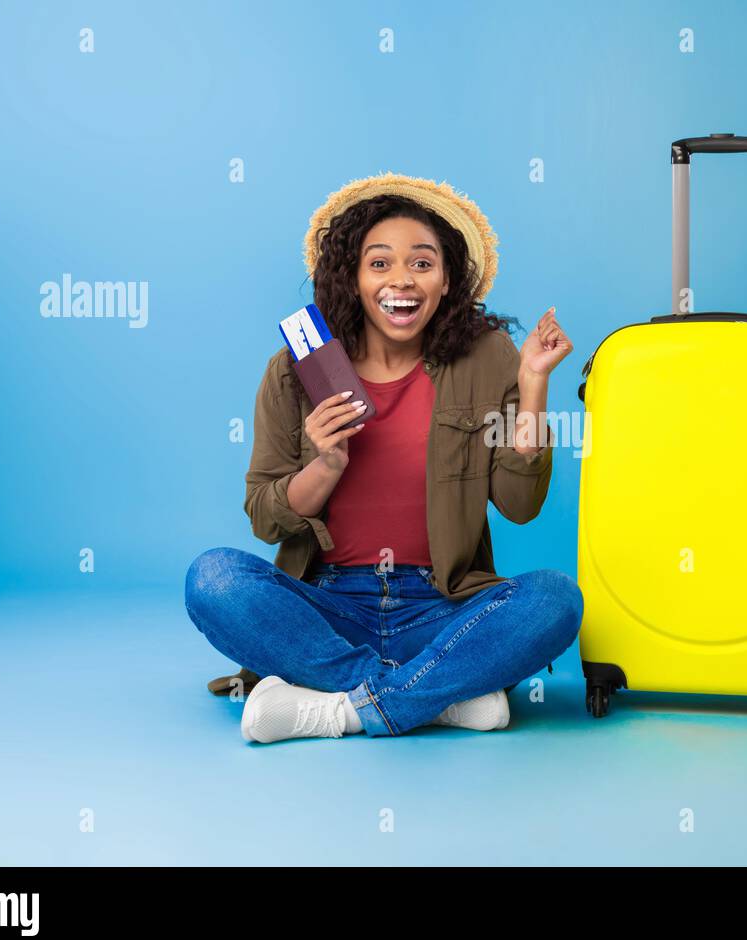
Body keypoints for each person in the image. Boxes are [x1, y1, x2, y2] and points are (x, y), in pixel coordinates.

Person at [184, 172, 583, 742]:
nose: (403, 279)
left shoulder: (488, 357)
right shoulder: (292, 371)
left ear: (448, 281)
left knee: (555, 598)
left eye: (423, 263)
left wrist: (534, 383)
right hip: (326, 610)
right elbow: (264, 517)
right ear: (352, 277)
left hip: (443, 607)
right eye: (380, 263)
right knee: (213, 577)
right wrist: (324, 464)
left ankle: (336, 707)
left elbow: (519, 505)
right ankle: (435, 696)